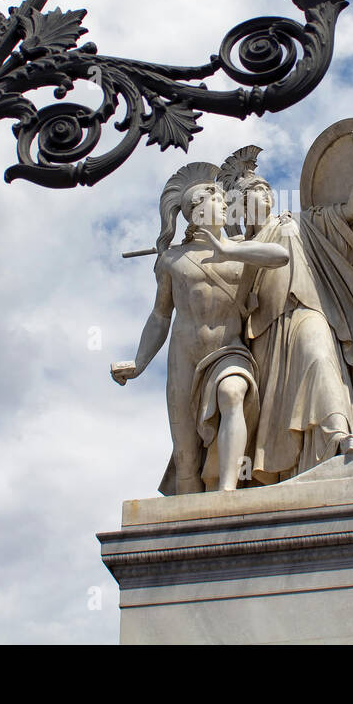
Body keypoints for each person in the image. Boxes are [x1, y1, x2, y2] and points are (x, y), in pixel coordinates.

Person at [218, 138, 353, 485]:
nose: (265, 197)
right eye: (255, 192)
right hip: (262, 336)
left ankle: (338, 438)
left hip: (307, 313)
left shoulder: (300, 222)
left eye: (267, 190)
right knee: (269, 407)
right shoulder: (234, 247)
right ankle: (283, 473)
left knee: (318, 356)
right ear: (238, 205)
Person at [112, 162, 289, 495]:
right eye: (216, 200)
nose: (225, 205)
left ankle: (227, 490)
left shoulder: (241, 251)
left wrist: (228, 248)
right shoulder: (171, 260)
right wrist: (139, 363)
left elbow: (281, 256)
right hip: (185, 358)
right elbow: (160, 316)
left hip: (229, 350)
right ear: (195, 212)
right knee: (186, 458)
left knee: (232, 394)